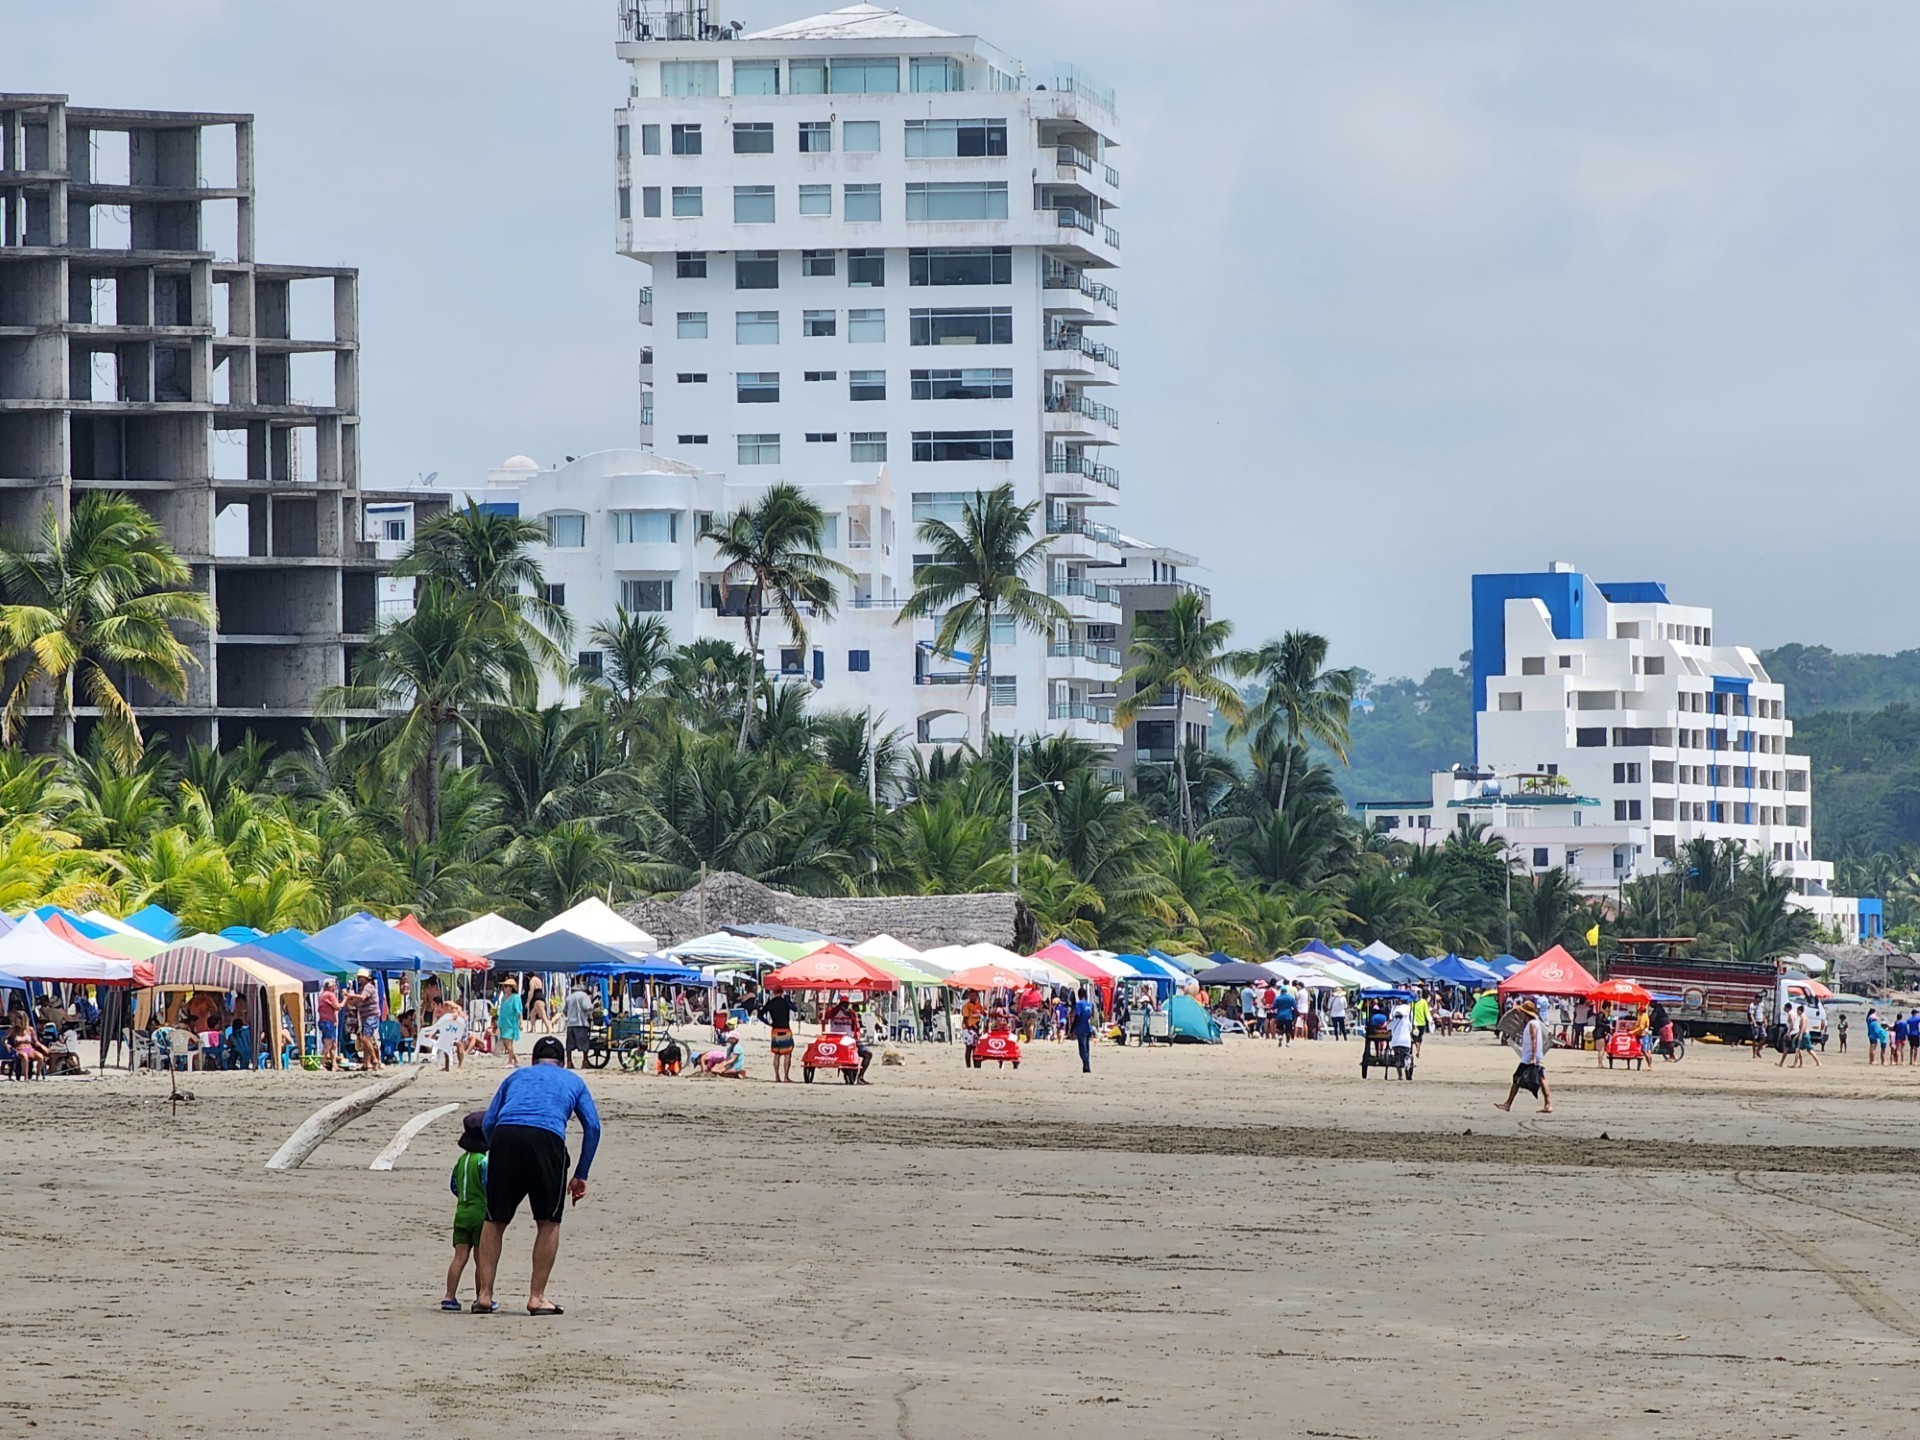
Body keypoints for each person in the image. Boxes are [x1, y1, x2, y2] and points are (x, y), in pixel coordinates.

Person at [472, 1035, 601, 1316]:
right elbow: (593, 1127)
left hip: (506, 1135)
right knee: (548, 1221)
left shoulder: (517, 1077)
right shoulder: (573, 1080)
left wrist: (497, 1150)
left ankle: (484, 1295)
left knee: (494, 1219)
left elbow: (490, 1121)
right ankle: (536, 1297)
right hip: (546, 1139)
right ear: (563, 1062)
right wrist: (581, 1173)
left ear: (533, 1060)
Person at [442, 1111, 490, 1311]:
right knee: (481, 1258)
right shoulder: (483, 1161)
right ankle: (481, 1296)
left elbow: (454, 1186)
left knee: (459, 1257)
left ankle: (449, 1296)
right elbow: (489, 1185)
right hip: (479, 1212)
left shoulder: (461, 1161)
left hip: (461, 1211)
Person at [1496, 999, 1551, 1114]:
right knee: (1541, 1079)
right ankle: (1548, 1104)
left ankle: (1508, 1104)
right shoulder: (1534, 1023)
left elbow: (1534, 1040)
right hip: (1534, 1057)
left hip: (1530, 1058)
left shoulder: (1531, 1024)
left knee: (1516, 1077)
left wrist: (1533, 1057)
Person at [350, 969, 383, 1072]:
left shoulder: (368, 987)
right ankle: (366, 1063)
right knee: (368, 1041)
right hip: (365, 1017)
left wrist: (349, 995)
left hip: (371, 1016)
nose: (359, 980)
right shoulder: (362, 988)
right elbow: (354, 1002)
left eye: (361, 978)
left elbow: (362, 997)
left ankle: (375, 1060)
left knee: (366, 1039)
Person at [562, 980, 594, 1070]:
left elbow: (564, 1010)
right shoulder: (584, 996)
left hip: (571, 1023)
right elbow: (587, 1007)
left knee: (570, 1044)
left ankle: (569, 1062)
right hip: (581, 1023)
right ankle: (585, 1061)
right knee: (584, 1043)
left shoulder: (569, 997)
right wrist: (594, 1006)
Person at [766, 988, 795, 1083]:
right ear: (782, 992)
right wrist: (787, 998)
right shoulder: (785, 1002)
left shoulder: (771, 1003)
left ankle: (777, 1077)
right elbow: (795, 1009)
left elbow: (760, 1014)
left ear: (773, 992)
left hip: (775, 1029)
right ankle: (786, 1077)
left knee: (777, 1054)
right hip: (785, 1029)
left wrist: (767, 1023)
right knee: (787, 1054)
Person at [494, 979, 523, 1068]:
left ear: (511, 988)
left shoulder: (516, 997)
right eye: (503, 986)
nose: (504, 988)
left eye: (506, 986)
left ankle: (510, 1061)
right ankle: (516, 1060)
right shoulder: (503, 998)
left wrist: (520, 1022)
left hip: (511, 1023)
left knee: (508, 1043)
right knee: (506, 1043)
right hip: (503, 1023)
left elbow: (519, 1011)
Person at [316, 980, 343, 1071]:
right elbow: (338, 1007)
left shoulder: (323, 995)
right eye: (334, 985)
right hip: (327, 1022)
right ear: (330, 987)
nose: (335, 987)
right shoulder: (330, 994)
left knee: (333, 1044)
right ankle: (321, 1063)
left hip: (325, 1021)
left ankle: (334, 1065)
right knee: (328, 1044)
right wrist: (346, 999)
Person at [1070, 985, 1096, 1074]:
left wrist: (1072, 1029)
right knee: (1087, 1049)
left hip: (1081, 1029)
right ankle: (1086, 1066)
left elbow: (1077, 1016)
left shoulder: (1079, 1004)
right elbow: (1092, 1016)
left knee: (1082, 1049)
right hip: (1087, 1028)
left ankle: (1086, 1066)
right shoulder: (1089, 1004)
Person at [1410, 988, 1431, 1057]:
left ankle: (1418, 1049)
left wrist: (1430, 1019)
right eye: (1418, 993)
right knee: (1415, 1038)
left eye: (1420, 993)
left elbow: (1426, 1011)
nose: (1419, 995)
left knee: (1419, 1038)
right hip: (1415, 1023)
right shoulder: (1413, 1002)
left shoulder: (1423, 1002)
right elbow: (1410, 1011)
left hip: (1422, 1023)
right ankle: (1417, 1050)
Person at [1748, 992, 1768, 1059]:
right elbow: (1751, 1015)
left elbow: (1762, 1013)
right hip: (1755, 1022)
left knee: (1764, 1037)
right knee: (1755, 1038)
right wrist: (1754, 1023)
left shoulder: (1761, 1004)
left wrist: (1765, 1020)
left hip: (1761, 1022)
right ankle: (1754, 1053)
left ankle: (1758, 1050)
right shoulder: (1752, 1005)